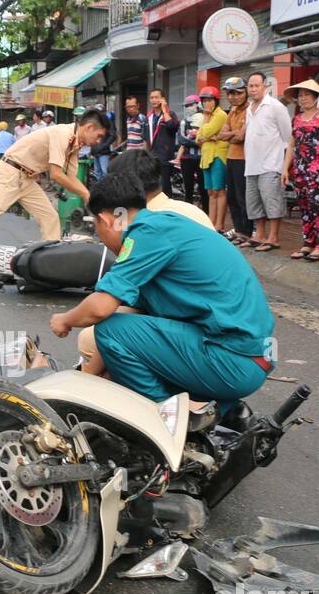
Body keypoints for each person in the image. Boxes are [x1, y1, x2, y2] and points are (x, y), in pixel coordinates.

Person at [48, 171, 275, 406]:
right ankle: (212, 413)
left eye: (98, 230)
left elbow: (99, 309)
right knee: (118, 353)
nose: (102, 239)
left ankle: (168, 420)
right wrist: (84, 381)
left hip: (233, 360)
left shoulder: (146, 233)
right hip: (253, 356)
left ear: (106, 220)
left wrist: (65, 320)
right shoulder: (164, 225)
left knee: (111, 329)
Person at [0, 108, 111, 288]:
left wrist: (90, 196)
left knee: (50, 218)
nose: (98, 141)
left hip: (27, 178)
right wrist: (86, 194)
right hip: (10, 173)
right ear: (89, 127)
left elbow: (71, 178)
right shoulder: (62, 134)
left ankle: (47, 271)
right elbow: (56, 174)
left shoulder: (74, 144)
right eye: (99, 135)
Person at [242, 72, 292, 252]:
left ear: (265, 86)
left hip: (271, 163)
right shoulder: (248, 108)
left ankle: (273, 237)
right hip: (251, 164)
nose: (253, 89)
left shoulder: (276, 107)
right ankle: (260, 235)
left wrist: (285, 166)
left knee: (272, 201)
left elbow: (288, 137)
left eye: (257, 85)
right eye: (250, 86)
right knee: (254, 202)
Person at [282, 80, 319, 261]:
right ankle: (308, 243)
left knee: (318, 207)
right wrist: (285, 168)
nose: (303, 99)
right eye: (300, 95)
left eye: (307, 95)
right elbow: (292, 144)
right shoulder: (296, 119)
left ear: (316, 97)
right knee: (304, 205)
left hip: (318, 169)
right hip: (300, 169)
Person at [218, 76, 253, 244]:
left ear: (245, 92)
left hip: (244, 159)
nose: (234, 97)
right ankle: (239, 230)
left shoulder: (250, 110)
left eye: (238, 93)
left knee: (242, 197)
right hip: (230, 158)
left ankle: (247, 231)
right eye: (230, 93)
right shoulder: (232, 111)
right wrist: (233, 134)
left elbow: (240, 136)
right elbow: (221, 135)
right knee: (231, 197)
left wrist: (231, 134)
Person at [194, 88, 229, 232]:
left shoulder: (220, 114)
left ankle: (219, 224)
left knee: (219, 191)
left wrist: (206, 134)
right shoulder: (206, 116)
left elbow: (205, 132)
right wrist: (207, 136)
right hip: (206, 156)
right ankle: (211, 222)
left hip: (218, 156)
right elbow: (197, 138)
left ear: (216, 101)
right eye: (204, 101)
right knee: (210, 192)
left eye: (210, 100)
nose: (207, 103)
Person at [145, 88, 179, 198]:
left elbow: (173, 127)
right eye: (152, 98)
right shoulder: (148, 117)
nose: (154, 100)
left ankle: (166, 210)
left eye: (156, 97)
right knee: (153, 187)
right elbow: (146, 138)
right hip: (152, 156)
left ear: (162, 99)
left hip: (165, 156)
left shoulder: (170, 114)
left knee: (165, 187)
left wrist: (165, 111)